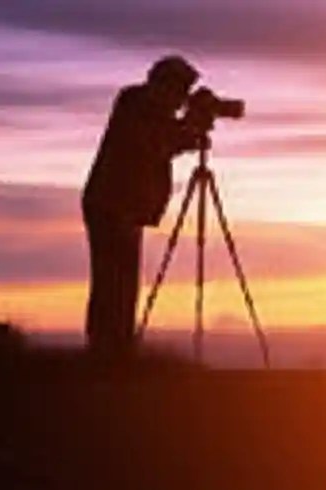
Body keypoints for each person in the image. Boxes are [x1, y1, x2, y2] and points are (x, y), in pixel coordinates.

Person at [82, 56, 203, 358]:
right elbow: (156, 143)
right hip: (112, 204)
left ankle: (115, 348)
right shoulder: (136, 103)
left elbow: (165, 138)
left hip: (121, 204)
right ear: (165, 85)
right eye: (180, 91)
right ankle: (107, 349)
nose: (180, 100)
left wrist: (190, 128)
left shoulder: (143, 106)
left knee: (121, 281)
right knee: (114, 281)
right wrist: (190, 127)